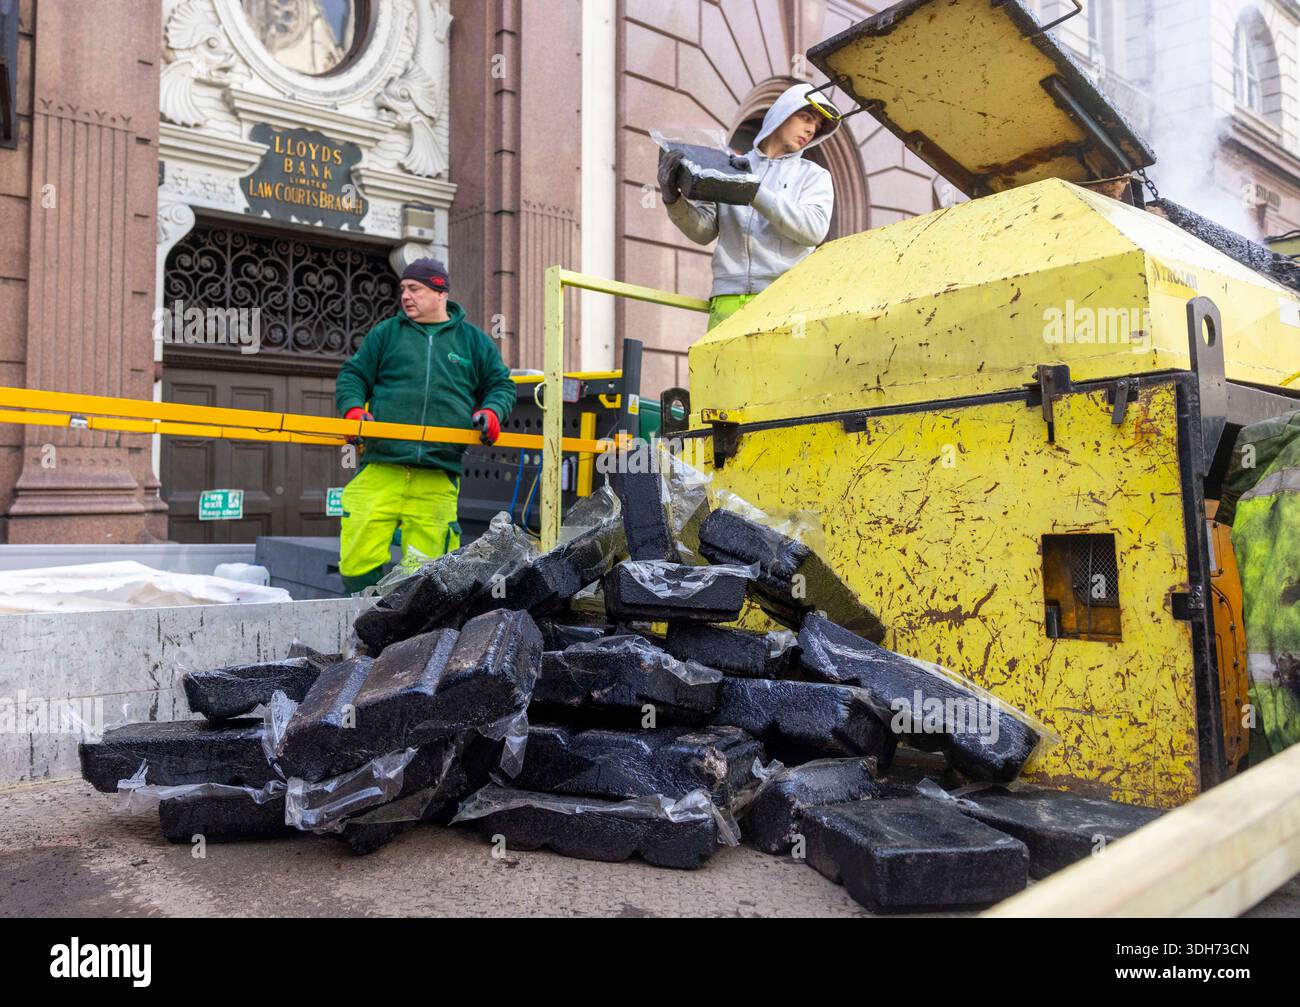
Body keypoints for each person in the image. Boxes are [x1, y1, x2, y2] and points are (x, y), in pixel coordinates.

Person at [334, 257, 515, 592]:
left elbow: (501, 385)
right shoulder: (387, 334)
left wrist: (492, 412)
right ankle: (358, 622)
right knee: (357, 550)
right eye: (403, 289)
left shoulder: (473, 342)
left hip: (436, 474)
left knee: (427, 571)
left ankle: (413, 637)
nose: (405, 296)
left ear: (440, 292)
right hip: (381, 466)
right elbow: (353, 375)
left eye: (414, 288)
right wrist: (353, 410)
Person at [660, 83, 841, 328]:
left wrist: (753, 190)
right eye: (805, 117)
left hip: (785, 299)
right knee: (719, 368)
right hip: (727, 299)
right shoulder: (729, 166)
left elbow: (814, 229)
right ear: (782, 114)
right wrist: (673, 199)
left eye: (817, 126)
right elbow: (704, 231)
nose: (810, 129)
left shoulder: (814, 176)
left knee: (778, 369)